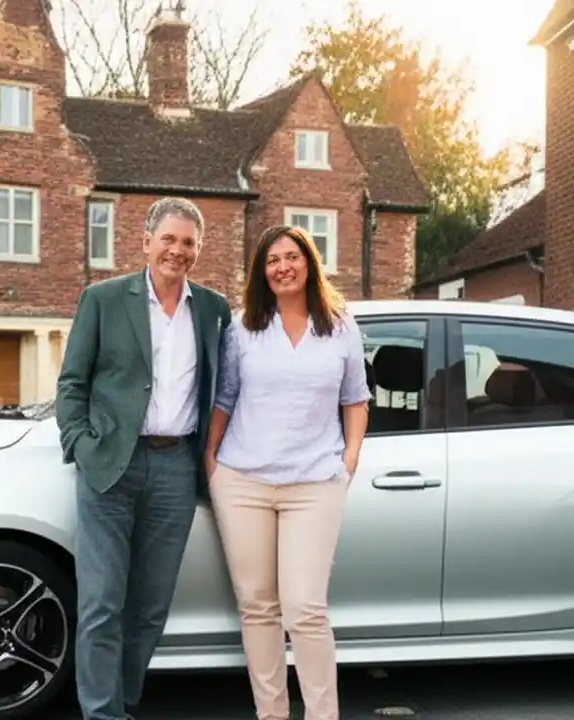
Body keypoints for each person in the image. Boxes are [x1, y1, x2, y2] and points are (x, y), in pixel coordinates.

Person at [56, 196, 233, 720]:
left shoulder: (214, 309)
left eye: (188, 242)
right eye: (169, 240)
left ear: (199, 249)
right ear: (146, 243)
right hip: (111, 465)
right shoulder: (104, 299)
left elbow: (225, 387)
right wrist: (82, 445)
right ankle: (103, 714)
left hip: (177, 468)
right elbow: (72, 384)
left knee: (151, 607)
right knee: (102, 603)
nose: (177, 251)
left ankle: (124, 700)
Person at [204, 224, 370, 720]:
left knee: (306, 610)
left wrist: (350, 460)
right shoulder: (243, 327)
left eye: (291, 256)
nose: (282, 266)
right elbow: (224, 399)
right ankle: (270, 714)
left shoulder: (340, 325)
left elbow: (355, 399)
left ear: (309, 262)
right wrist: (211, 462)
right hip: (243, 482)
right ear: (262, 272)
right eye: (272, 260)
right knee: (257, 607)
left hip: (315, 483)